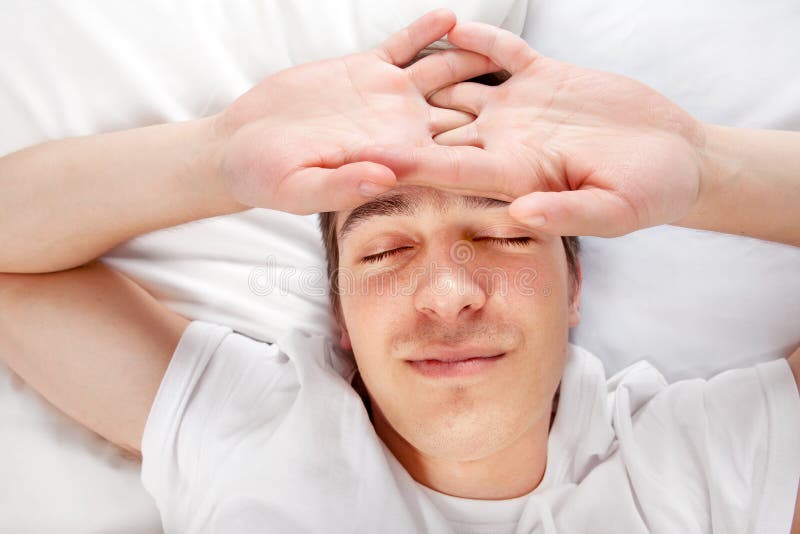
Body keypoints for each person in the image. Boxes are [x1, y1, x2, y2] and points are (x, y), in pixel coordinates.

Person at [0, 9, 798, 534]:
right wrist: (216, 154)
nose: (449, 295)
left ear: (576, 287)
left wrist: (705, 167)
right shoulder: (252, 429)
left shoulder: (702, 463)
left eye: (506, 237)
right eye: (384, 251)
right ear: (340, 317)